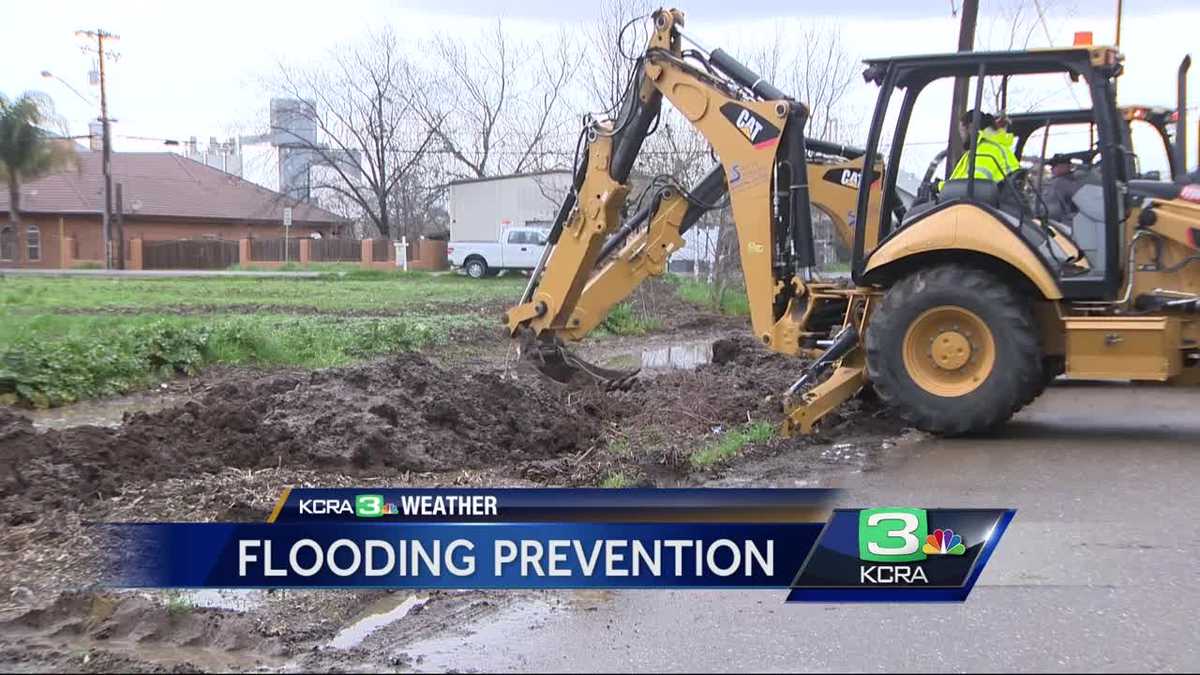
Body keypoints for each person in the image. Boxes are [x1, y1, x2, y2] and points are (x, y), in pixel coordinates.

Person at [946, 110, 1020, 183]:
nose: (961, 137)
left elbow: (973, 184)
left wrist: (940, 187)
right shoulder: (994, 147)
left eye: (962, 131)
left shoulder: (986, 150)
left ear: (971, 128)